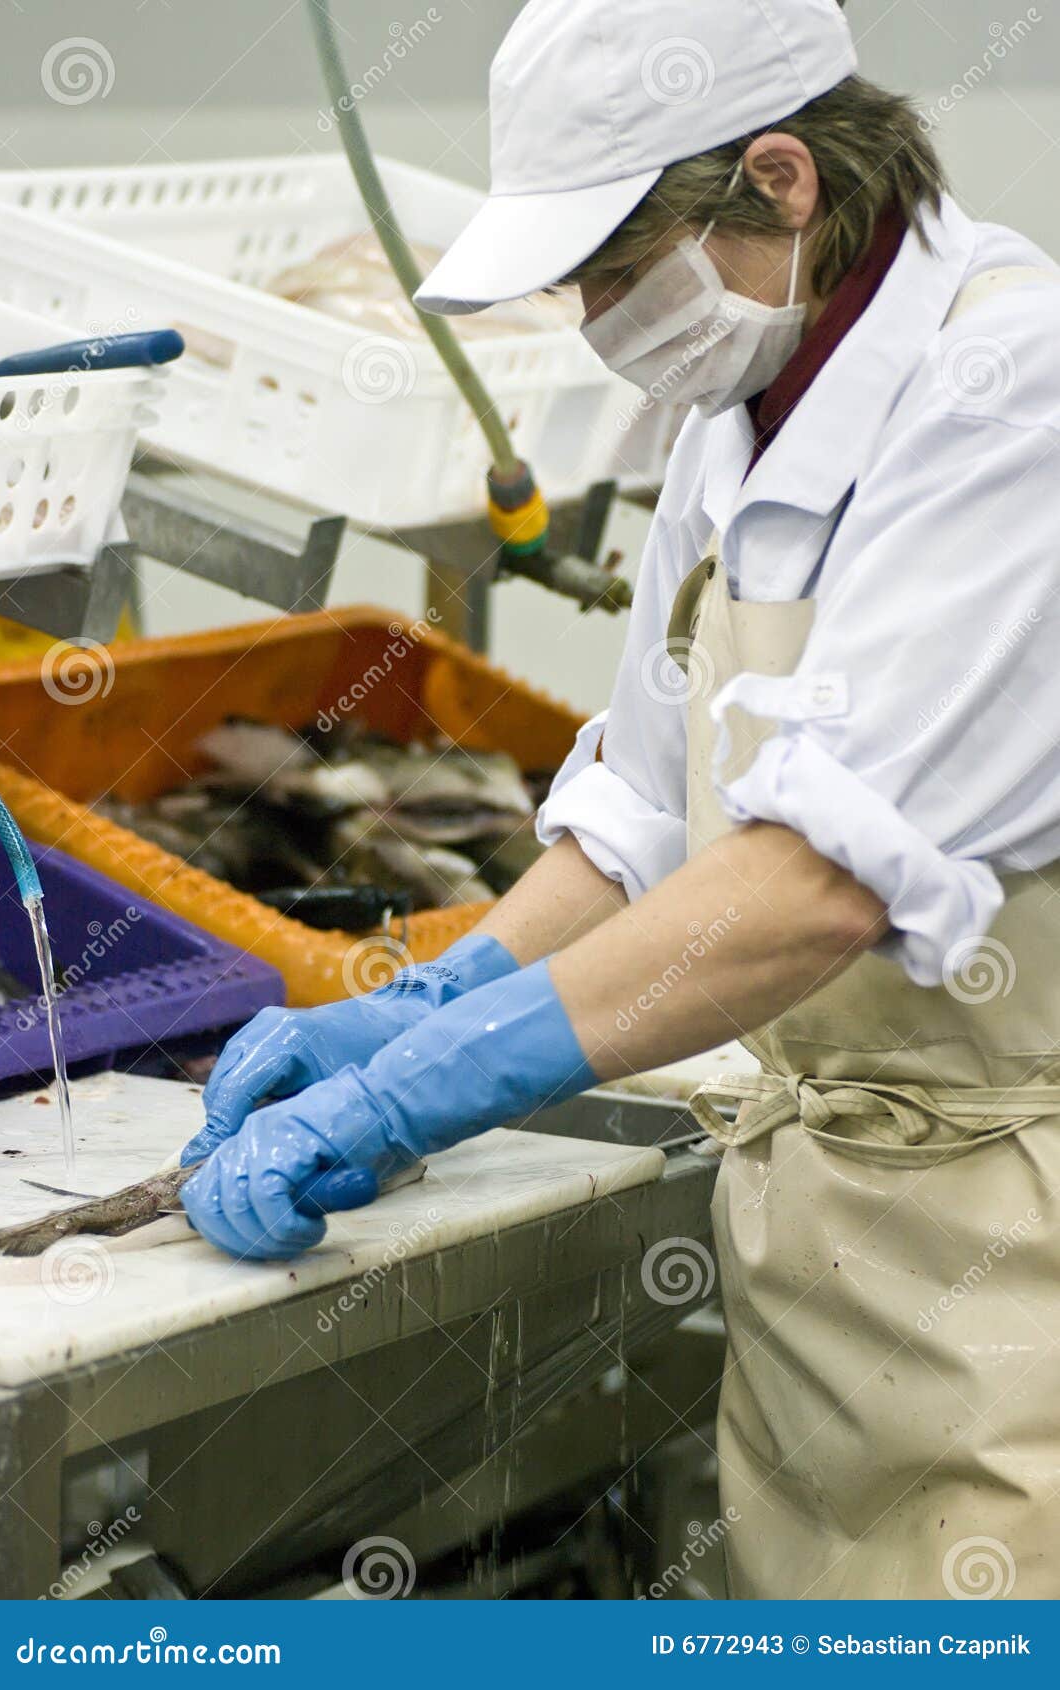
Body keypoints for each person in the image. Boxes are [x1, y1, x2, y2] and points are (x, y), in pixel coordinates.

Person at [181, 0, 1060, 1599]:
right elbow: (648, 812)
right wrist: (426, 997)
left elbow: (812, 884)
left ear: (783, 179)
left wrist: (425, 1089)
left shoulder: (1013, 385)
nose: (598, 320)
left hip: (1018, 1255)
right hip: (823, 1246)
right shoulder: (748, 401)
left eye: (613, 267)